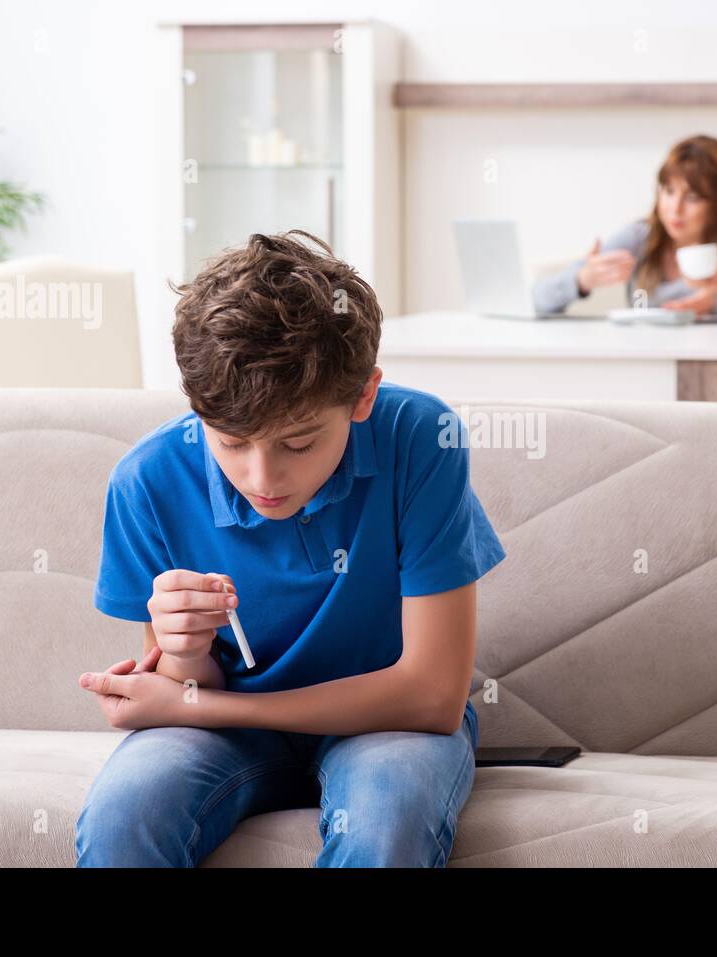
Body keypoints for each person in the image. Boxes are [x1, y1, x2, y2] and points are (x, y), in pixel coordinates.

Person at [74, 231, 506, 867]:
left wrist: (204, 704)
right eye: (229, 443)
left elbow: (433, 696)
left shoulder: (421, 439)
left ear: (363, 396)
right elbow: (181, 683)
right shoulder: (150, 479)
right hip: (225, 736)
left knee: (386, 823)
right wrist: (184, 653)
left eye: (299, 444)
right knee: (122, 818)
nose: (262, 480)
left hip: (389, 726)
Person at [531, 135, 717, 322]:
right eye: (668, 191)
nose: (675, 209)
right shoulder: (641, 237)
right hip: (646, 365)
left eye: (693, 197)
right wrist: (582, 280)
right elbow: (535, 300)